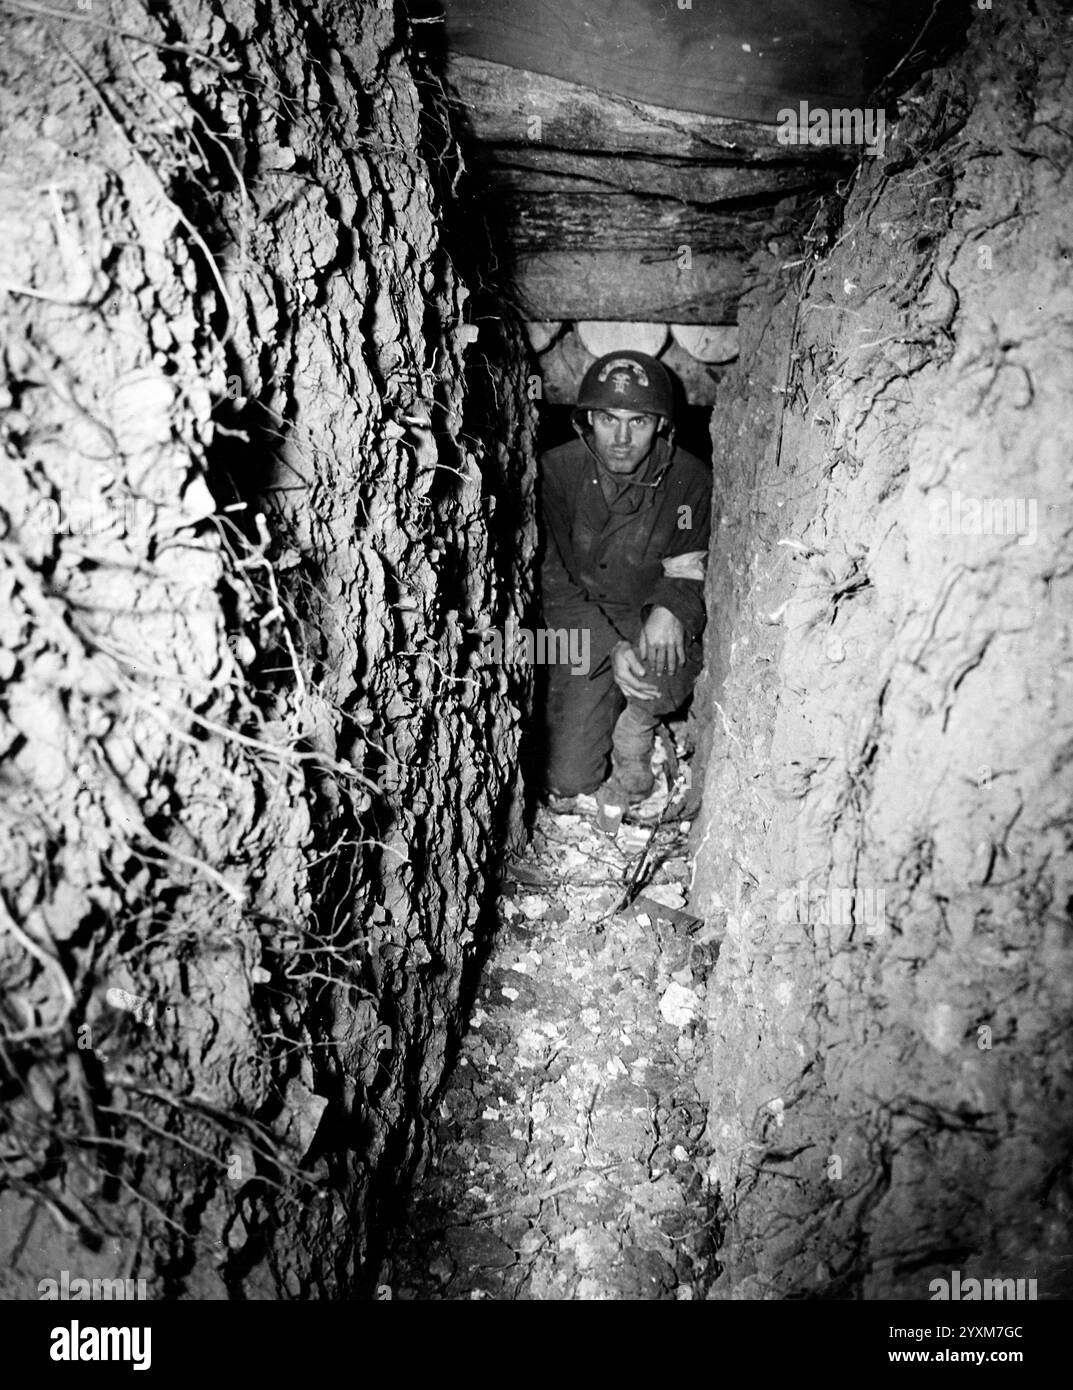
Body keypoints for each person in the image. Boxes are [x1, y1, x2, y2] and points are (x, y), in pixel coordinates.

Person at [539, 350, 711, 816]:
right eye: (609, 419)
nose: (620, 438)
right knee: (570, 778)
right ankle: (600, 702)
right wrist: (608, 649)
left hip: (647, 615)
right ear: (589, 419)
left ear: (659, 425)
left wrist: (672, 607)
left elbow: (691, 561)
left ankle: (638, 724)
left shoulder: (688, 480)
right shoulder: (556, 474)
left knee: (668, 653)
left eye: (637, 422)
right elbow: (553, 584)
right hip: (579, 626)